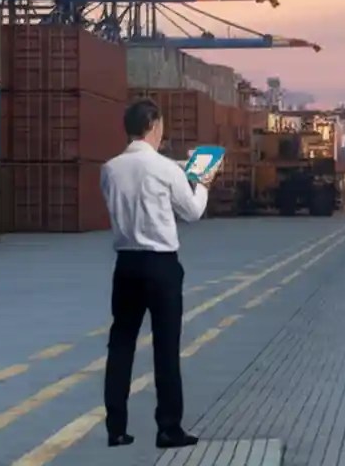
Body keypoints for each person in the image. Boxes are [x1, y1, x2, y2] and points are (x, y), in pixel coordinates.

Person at [99, 98, 217, 450]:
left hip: (126, 265)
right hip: (161, 264)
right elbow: (193, 211)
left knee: (121, 343)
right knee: (166, 348)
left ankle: (116, 428)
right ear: (153, 126)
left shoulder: (109, 168)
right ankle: (169, 428)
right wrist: (204, 181)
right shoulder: (166, 169)